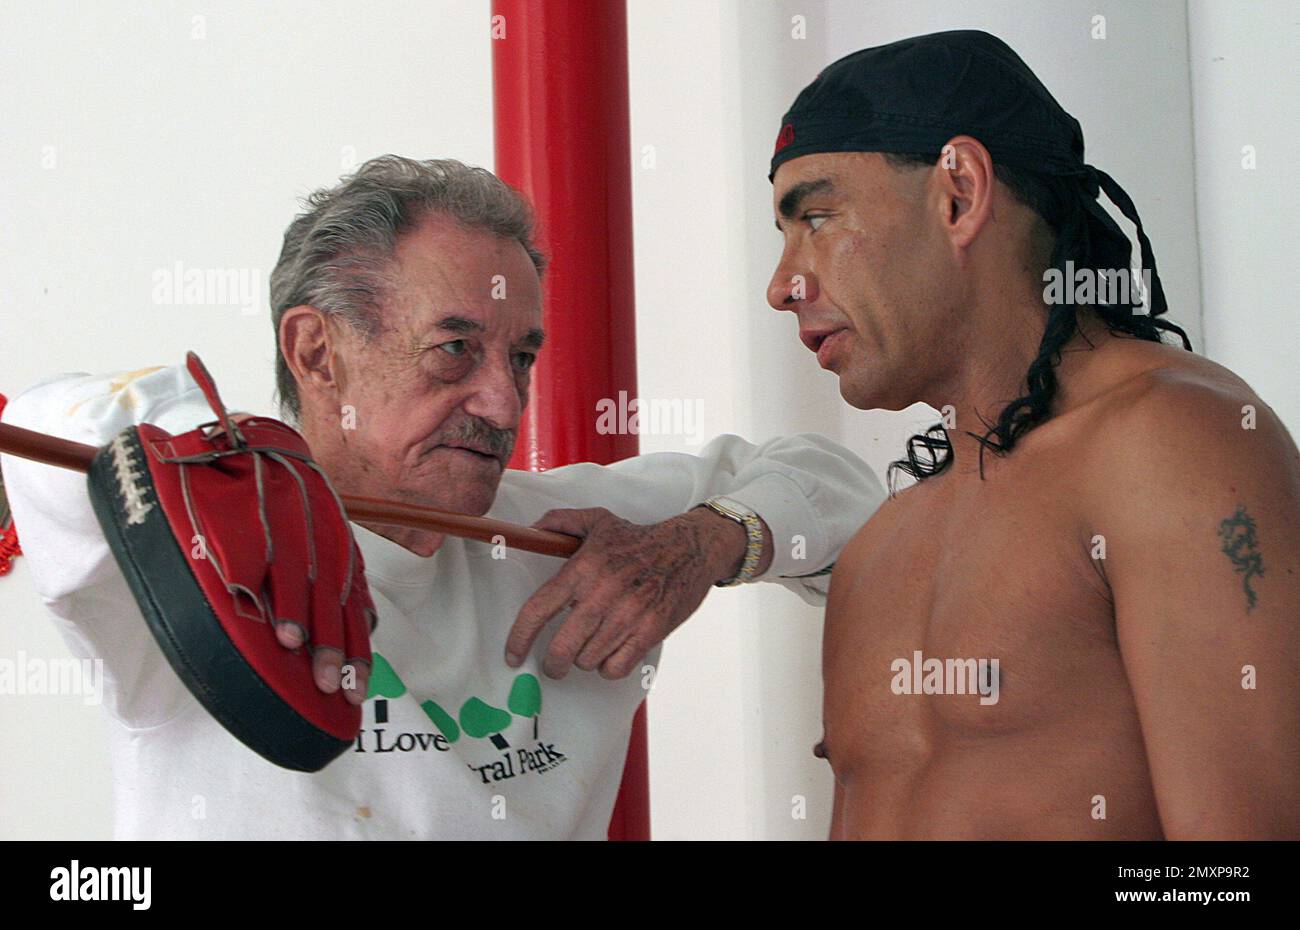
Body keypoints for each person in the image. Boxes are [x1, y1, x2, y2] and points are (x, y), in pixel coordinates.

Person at [0, 155, 885, 839]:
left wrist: (703, 544)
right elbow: (42, 431)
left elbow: (850, 492)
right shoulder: (178, 564)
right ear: (316, 354)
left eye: (522, 356)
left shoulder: (568, 530)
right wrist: (195, 455)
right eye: (454, 349)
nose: (504, 404)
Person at [765, 31, 1300, 839]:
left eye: (817, 215)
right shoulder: (880, 549)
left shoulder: (1173, 442)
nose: (783, 284)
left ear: (959, 193)